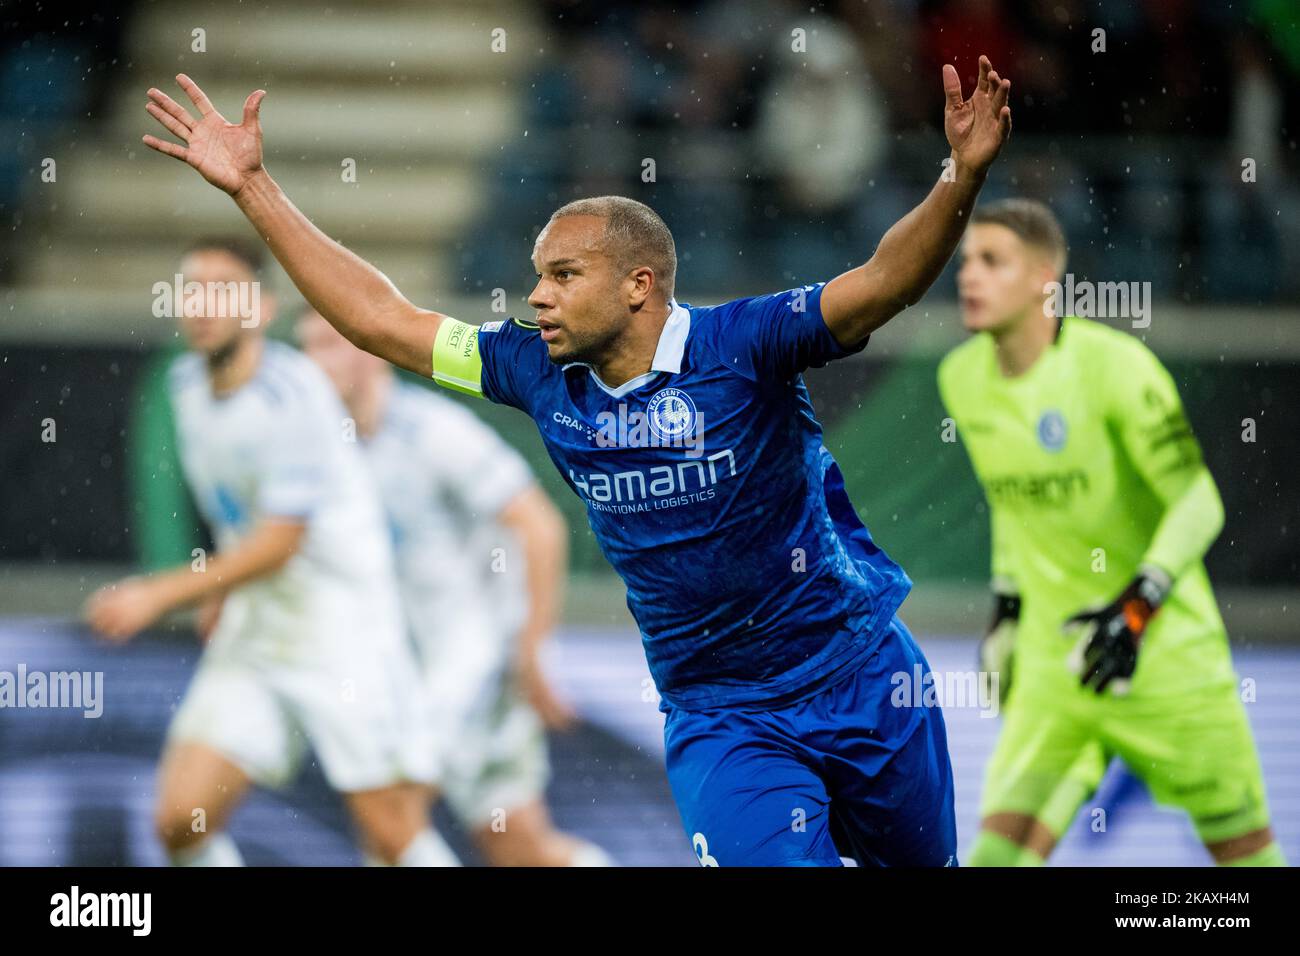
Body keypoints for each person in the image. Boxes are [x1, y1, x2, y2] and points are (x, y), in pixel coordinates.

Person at [138, 56, 1013, 866]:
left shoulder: (746, 342)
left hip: (859, 670)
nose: (537, 296)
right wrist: (254, 188)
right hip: (721, 713)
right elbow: (379, 318)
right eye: (536, 276)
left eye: (562, 276)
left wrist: (960, 176)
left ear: (638, 286)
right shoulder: (530, 366)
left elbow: (883, 282)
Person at [84, 238, 455, 867]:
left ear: (259, 308)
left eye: (222, 290)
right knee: (180, 820)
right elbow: (242, 515)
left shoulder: (295, 394)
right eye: (191, 288)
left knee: (393, 838)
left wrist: (159, 592)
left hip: (344, 634)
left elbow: (283, 540)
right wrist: (223, 593)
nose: (202, 304)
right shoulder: (183, 386)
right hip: (259, 634)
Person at [938, 198, 1285, 866]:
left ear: (1045, 277)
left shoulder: (1116, 368)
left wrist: (1136, 606)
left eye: (991, 262)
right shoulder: (963, 379)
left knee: (1246, 862)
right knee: (994, 858)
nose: (969, 277)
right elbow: (1015, 508)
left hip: (1162, 658)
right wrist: (1008, 607)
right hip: (1053, 667)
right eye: (965, 262)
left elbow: (1198, 499)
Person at [298, 308, 612, 866]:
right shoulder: (316, 451)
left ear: (371, 349)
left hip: (471, 662)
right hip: (404, 668)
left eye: (330, 344)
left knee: (390, 815)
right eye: (307, 349)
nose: (315, 363)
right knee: (516, 845)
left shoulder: (432, 431)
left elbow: (539, 527)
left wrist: (532, 650)